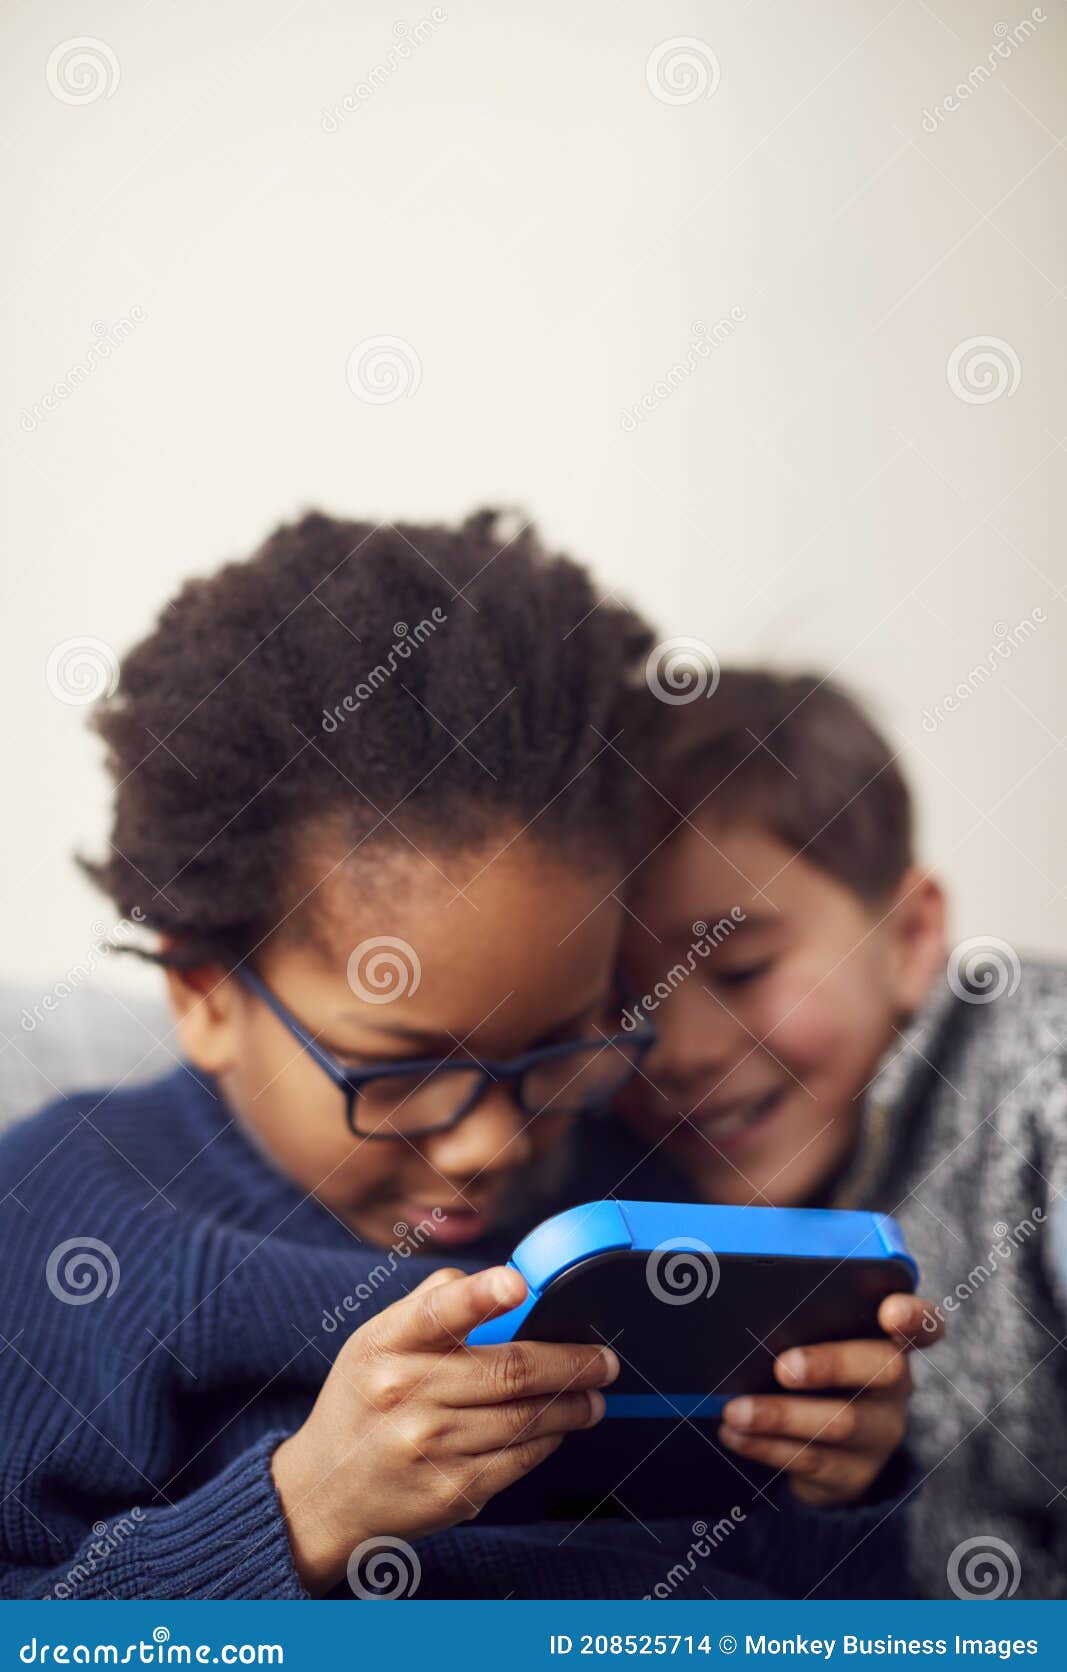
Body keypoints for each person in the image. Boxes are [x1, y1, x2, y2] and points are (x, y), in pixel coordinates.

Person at [0, 522, 923, 1600]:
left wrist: (835, 1490)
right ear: (204, 992)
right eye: (395, 1069)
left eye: (558, 1047)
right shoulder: (67, 1212)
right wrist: (302, 1509)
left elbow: (805, 1618)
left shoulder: (630, 1199)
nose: (491, 1142)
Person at [611, 667, 1067, 1597]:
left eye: (738, 970)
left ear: (907, 938)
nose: (677, 1051)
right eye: (619, 1004)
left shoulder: (1036, 1088)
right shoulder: (616, 1177)